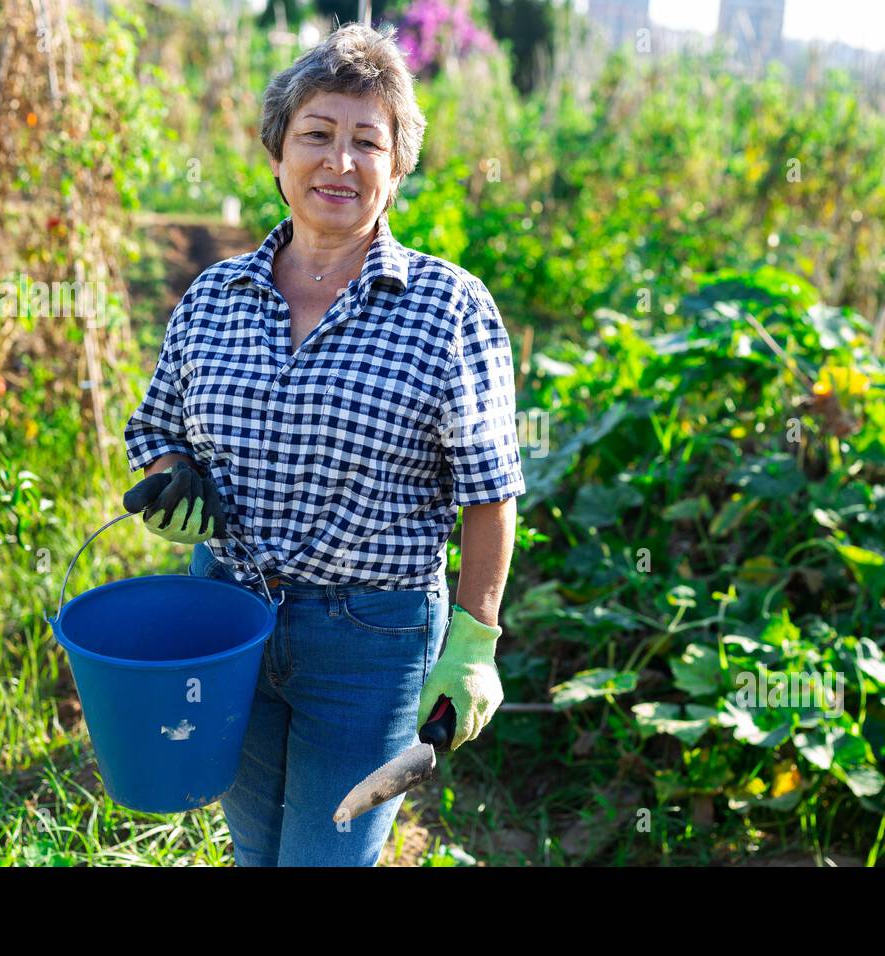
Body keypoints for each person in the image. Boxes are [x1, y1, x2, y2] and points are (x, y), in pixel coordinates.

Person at [120, 21, 525, 867]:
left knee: (324, 854)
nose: (339, 163)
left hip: (370, 639)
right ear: (278, 152)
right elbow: (158, 429)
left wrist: (477, 641)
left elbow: (490, 489)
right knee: (255, 848)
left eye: (366, 143)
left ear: (397, 168)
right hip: (225, 618)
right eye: (317, 135)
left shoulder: (447, 309)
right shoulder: (216, 295)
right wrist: (173, 478)